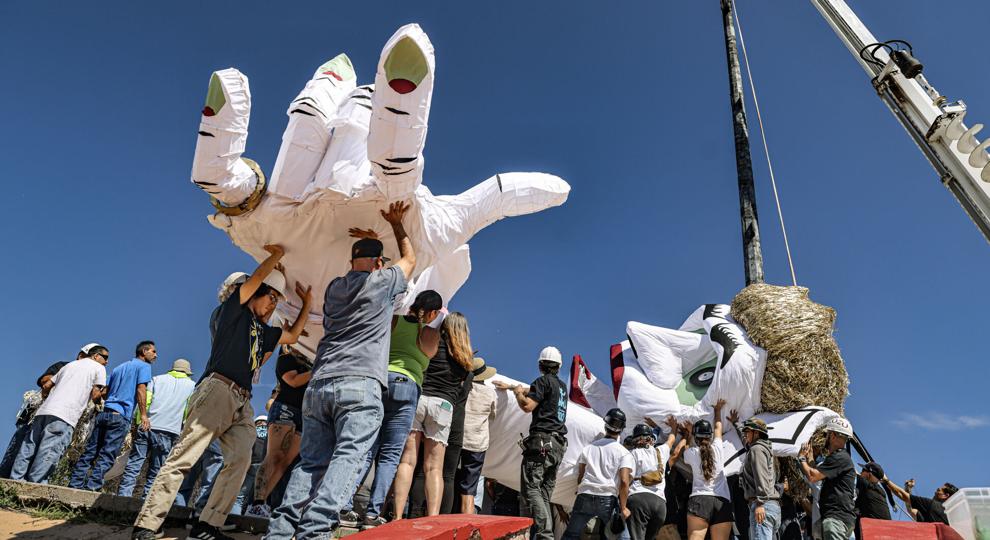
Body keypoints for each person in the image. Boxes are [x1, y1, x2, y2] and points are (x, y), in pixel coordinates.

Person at [132, 244, 312, 540]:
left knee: (240, 459)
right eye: (270, 298)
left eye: (276, 301)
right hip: (218, 389)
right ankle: (147, 524)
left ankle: (207, 525)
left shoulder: (264, 332)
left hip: (242, 400)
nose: (273, 306)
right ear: (254, 293)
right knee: (184, 456)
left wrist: (308, 302)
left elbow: (292, 335)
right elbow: (256, 280)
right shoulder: (233, 312)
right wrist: (276, 256)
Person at [265, 201, 415, 540]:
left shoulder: (334, 288)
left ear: (350, 262)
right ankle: (315, 531)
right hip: (360, 383)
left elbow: (367, 267)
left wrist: (370, 244)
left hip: (320, 384)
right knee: (348, 457)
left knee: (311, 463)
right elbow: (410, 259)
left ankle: (280, 531)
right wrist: (395, 223)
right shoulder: (382, 282)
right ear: (379, 264)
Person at [338, 290, 442, 528]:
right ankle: (373, 514)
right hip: (408, 388)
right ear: (434, 313)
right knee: (390, 455)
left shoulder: (393, 320)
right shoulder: (430, 333)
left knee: (367, 447)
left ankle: (344, 505)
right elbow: (429, 353)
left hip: (381, 383)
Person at [391, 311, 475, 519]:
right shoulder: (465, 358)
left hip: (420, 399)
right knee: (434, 468)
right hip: (443, 407)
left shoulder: (431, 344)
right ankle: (433, 519)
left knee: (407, 461)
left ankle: (397, 516)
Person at [494, 346, 569, 540]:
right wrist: (512, 387)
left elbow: (528, 405)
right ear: (559, 366)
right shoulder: (561, 388)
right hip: (558, 445)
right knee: (543, 493)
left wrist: (518, 394)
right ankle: (546, 535)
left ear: (540, 365)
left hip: (542, 442)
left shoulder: (542, 382)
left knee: (531, 488)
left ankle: (545, 535)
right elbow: (536, 391)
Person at [11, 345, 108, 483]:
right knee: (49, 452)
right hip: (65, 415)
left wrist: (46, 399)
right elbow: (95, 394)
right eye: (105, 357)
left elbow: (46, 386)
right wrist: (99, 402)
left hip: (43, 412)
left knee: (29, 447)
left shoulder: (69, 365)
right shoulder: (99, 368)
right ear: (96, 356)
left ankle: (15, 481)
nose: (106, 362)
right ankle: (35, 485)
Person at [71, 340, 157, 491]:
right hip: (120, 416)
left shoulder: (119, 368)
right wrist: (143, 415)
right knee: (107, 454)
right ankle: (91, 488)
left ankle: (74, 485)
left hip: (105, 414)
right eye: (153, 351)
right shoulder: (144, 366)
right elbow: (141, 390)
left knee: (90, 452)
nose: (156, 355)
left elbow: (103, 392)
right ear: (144, 352)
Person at [245, 345, 312, 518]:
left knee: (285, 462)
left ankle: (262, 504)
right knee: (274, 457)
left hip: (303, 415)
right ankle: (255, 503)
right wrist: (318, 369)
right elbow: (293, 380)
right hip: (285, 410)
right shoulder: (286, 359)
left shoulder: (310, 363)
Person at [118, 359, 198, 497]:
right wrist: (182, 427)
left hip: (147, 425)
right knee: (156, 471)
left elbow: (145, 401)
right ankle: (145, 502)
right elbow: (188, 410)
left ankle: (123, 496)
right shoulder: (192, 386)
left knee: (134, 465)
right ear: (187, 372)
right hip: (170, 430)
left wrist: (139, 421)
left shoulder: (157, 379)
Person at [562, 408, 634, 539]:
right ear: (622, 429)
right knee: (622, 537)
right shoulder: (624, 453)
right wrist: (623, 508)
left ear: (605, 425)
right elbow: (624, 481)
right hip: (607, 499)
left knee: (571, 535)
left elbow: (581, 476)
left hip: (585, 495)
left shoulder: (588, 448)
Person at [0, 357, 73, 478]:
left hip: (58, 418)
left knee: (44, 454)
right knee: (18, 450)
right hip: (34, 419)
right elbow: (44, 379)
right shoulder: (64, 366)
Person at [799, 417, 857, 540]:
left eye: (827, 435)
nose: (825, 439)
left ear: (833, 436)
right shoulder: (841, 458)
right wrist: (811, 461)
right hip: (842, 519)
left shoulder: (839, 457)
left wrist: (801, 458)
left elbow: (813, 476)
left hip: (835, 519)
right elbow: (819, 475)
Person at [683, 399, 733, 540]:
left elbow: (686, 449)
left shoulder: (692, 453)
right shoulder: (718, 447)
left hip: (699, 500)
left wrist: (688, 434)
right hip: (721, 500)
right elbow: (718, 428)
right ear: (710, 435)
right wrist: (717, 410)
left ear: (696, 437)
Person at [626, 417, 682, 540]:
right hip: (660, 505)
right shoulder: (660, 451)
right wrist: (674, 427)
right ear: (651, 439)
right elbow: (671, 439)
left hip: (638, 499)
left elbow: (626, 480)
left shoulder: (631, 454)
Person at [456, 359, 497, 514]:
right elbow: (493, 416)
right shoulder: (490, 393)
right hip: (477, 443)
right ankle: (466, 520)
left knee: (449, 478)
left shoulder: (462, 388)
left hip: (458, 438)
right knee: (469, 486)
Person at [883, 474, 956, 524]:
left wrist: (884, 479)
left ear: (945, 495)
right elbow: (911, 510)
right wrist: (908, 489)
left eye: (939, 490)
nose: (937, 490)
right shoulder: (952, 518)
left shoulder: (932, 505)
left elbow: (903, 496)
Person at [233, 415, 269, 515]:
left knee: (240, 497)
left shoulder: (251, 432)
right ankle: (252, 516)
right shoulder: (272, 435)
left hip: (251, 464)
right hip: (265, 467)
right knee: (257, 499)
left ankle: (234, 518)